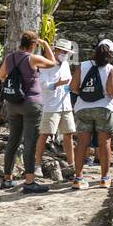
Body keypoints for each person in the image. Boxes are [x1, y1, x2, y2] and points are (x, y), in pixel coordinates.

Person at [0, 31, 57, 194]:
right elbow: (52, 62)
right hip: (31, 104)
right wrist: (46, 45)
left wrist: (16, 85)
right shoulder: (32, 58)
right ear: (33, 45)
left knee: (13, 140)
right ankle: (29, 182)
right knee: (30, 142)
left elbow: (1, 75)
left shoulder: (10, 57)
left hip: (13, 103)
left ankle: (7, 178)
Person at [71, 38, 113, 190]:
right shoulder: (110, 69)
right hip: (104, 108)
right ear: (110, 53)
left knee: (82, 143)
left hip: (82, 108)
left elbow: (73, 87)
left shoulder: (83, 66)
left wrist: (85, 94)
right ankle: (104, 178)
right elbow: (112, 90)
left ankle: (78, 178)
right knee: (104, 143)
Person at [35, 39, 76, 179]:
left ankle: (72, 164)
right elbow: (42, 85)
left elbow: (68, 82)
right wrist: (57, 84)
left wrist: (70, 86)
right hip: (51, 105)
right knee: (45, 134)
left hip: (66, 104)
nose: (64, 55)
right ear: (56, 51)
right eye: (63, 52)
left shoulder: (65, 64)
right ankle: (37, 165)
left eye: (67, 52)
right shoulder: (46, 64)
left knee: (69, 134)